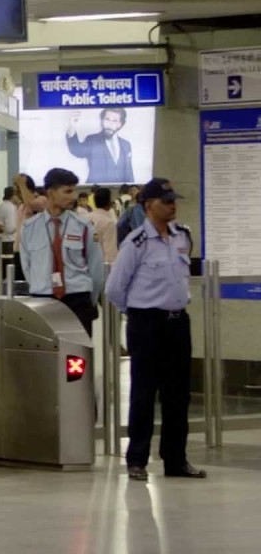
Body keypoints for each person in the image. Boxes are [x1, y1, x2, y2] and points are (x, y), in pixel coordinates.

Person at [105, 178, 205, 482]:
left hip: (177, 323)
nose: (173, 205)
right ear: (149, 205)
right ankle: (137, 459)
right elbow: (114, 288)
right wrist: (136, 312)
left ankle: (176, 459)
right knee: (144, 392)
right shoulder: (136, 242)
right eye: (166, 201)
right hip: (146, 324)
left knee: (178, 394)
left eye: (174, 200)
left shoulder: (182, 237)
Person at [19, 168, 105, 335]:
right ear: (50, 192)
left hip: (77, 298)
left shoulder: (83, 226)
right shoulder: (30, 228)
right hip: (43, 299)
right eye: (67, 191)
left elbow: (96, 268)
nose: (73, 197)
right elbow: (27, 266)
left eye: (74, 191)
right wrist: (40, 287)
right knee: (47, 354)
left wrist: (89, 300)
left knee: (78, 356)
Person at [66, 107, 135, 184]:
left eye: (114, 121)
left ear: (120, 124)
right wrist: (72, 127)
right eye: (107, 119)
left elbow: (129, 172)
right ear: (102, 120)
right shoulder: (92, 140)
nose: (109, 124)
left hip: (120, 192)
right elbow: (77, 150)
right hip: (96, 190)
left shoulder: (126, 145)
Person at [87, 187, 120, 264]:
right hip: (101, 265)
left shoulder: (86, 217)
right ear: (109, 202)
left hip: (86, 263)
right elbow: (110, 252)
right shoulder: (109, 223)